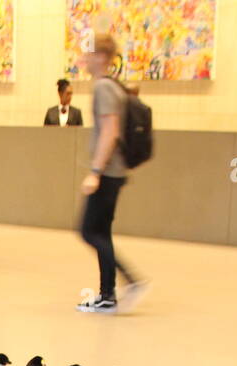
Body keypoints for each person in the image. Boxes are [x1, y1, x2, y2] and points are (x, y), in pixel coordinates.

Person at [76, 35, 146, 315]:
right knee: (100, 231)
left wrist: (95, 172)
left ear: (102, 57)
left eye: (89, 53)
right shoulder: (112, 86)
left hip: (107, 172)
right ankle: (107, 296)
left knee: (88, 231)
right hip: (114, 171)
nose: (84, 57)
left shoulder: (104, 88)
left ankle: (131, 281)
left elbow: (110, 131)